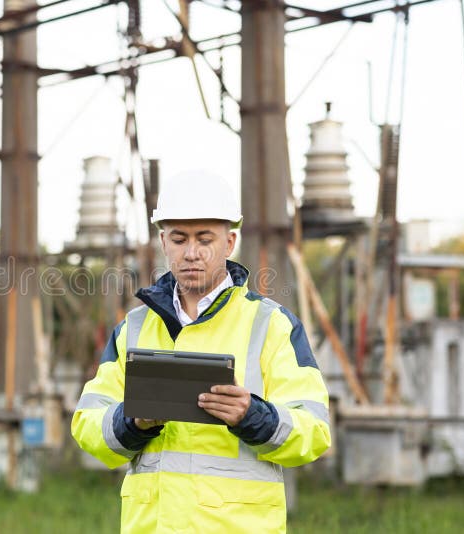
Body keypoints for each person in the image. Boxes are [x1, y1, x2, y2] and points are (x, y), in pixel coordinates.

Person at [71, 170, 331, 533]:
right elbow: (88, 426)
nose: (191, 253)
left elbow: (315, 431)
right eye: (179, 239)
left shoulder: (271, 325)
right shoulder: (133, 328)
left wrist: (252, 415)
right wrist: (133, 421)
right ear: (164, 243)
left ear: (229, 243)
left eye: (204, 239)